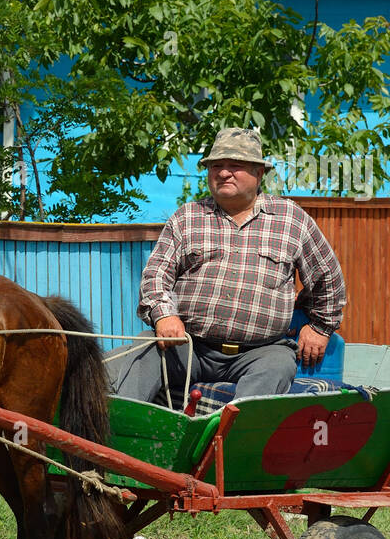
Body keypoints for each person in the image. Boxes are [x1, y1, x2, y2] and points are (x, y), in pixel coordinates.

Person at [112, 127, 347, 407]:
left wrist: (320, 327)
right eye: (216, 166)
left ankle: (234, 442)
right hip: (189, 346)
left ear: (259, 173)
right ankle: (115, 437)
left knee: (278, 366)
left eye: (234, 166)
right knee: (145, 349)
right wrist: (163, 316)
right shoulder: (188, 217)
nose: (224, 173)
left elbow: (328, 279)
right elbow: (155, 276)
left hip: (261, 351)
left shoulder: (291, 220)